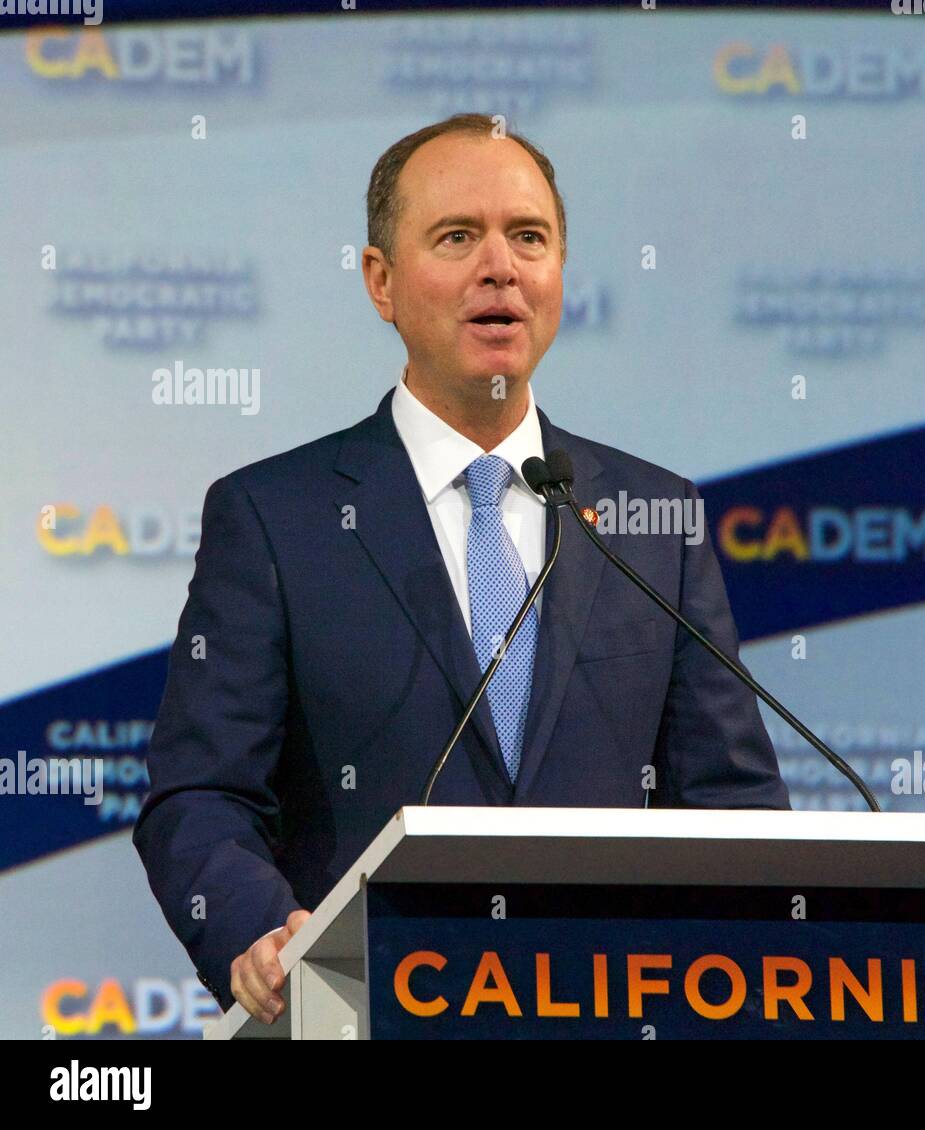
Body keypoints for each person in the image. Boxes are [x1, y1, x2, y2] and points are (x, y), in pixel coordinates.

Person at [133, 114, 790, 1026]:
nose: (501, 268)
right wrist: (258, 926)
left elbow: (733, 802)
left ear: (559, 272)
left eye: (529, 238)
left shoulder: (651, 517)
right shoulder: (276, 518)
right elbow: (199, 793)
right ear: (381, 282)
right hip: (369, 1010)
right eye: (456, 238)